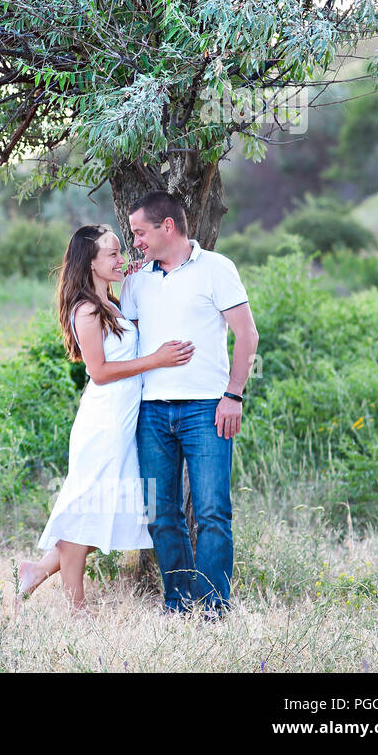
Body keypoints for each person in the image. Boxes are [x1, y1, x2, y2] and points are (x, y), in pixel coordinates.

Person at [14, 223, 195, 613]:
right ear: (90, 262)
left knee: (114, 509)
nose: (121, 259)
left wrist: (133, 269)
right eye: (112, 254)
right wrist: (157, 359)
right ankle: (76, 608)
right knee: (88, 511)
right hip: (104, 422)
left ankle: (37, 570)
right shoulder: (86, 309)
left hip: (123, 420)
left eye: (120, 252)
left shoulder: (110, 303)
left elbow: (129, 285)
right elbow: (99, 371)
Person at [121, 191, 260, 619]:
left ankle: (214, 607)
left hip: (207, 408)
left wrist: (233, 394)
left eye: (141, 232)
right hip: (152, 412)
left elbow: (247, 335)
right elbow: (131, 341)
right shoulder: (137, 280)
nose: (137, 241)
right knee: (161, 512)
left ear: (167, 227)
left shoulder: (217, 269)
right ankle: (177, 603)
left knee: (212, 510)